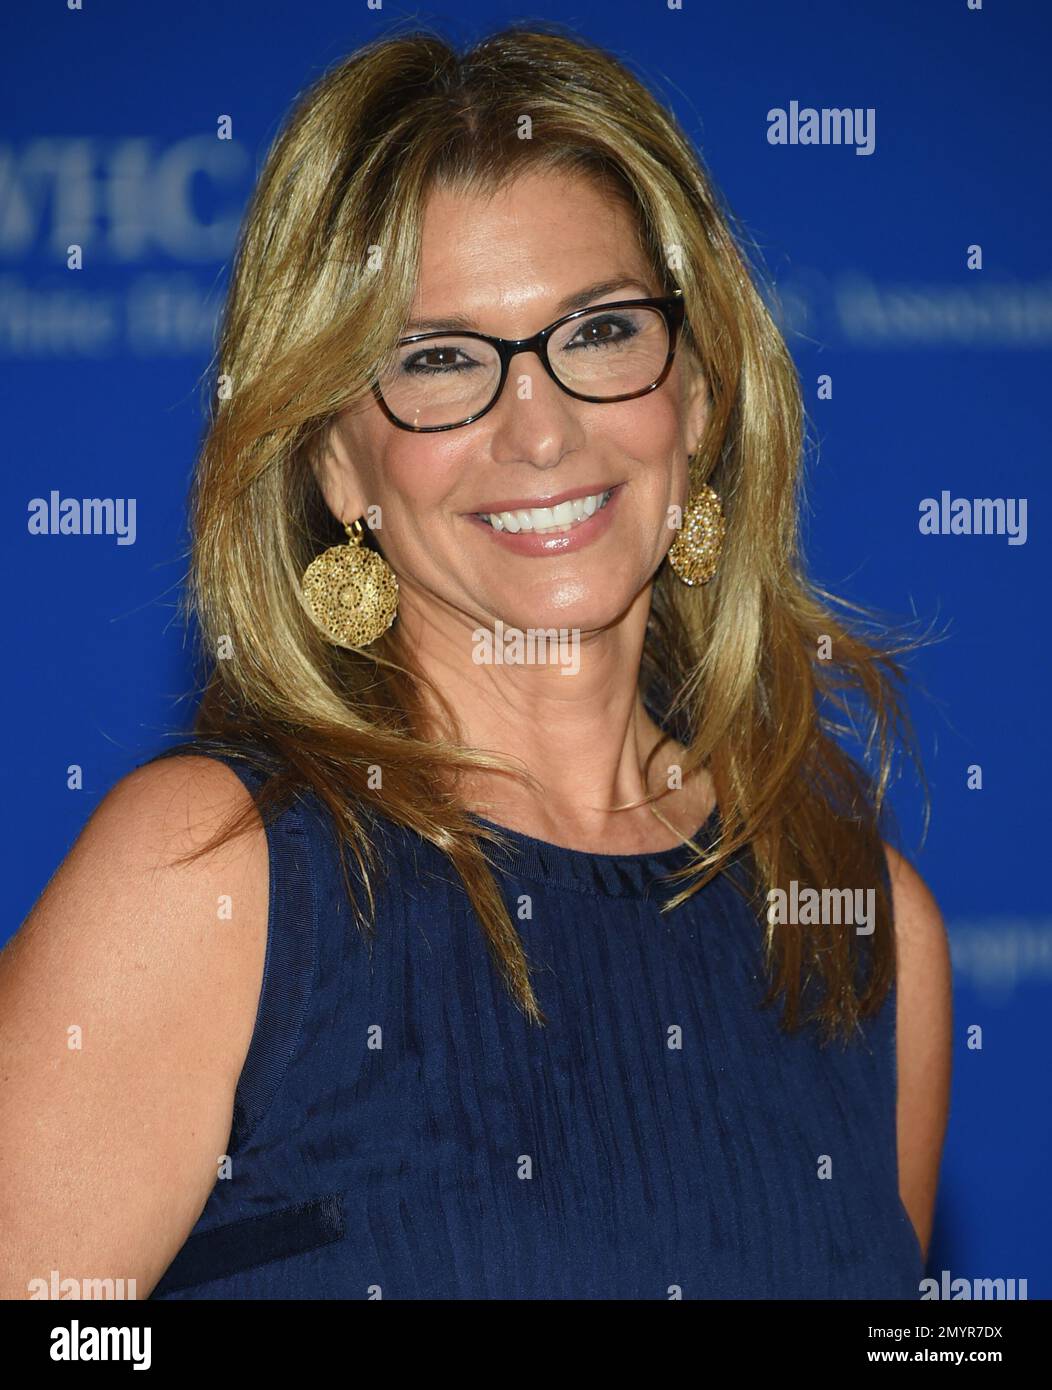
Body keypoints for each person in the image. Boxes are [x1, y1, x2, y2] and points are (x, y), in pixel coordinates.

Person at [0, 25, 951, 1300]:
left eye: (601, 331)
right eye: (439, 361)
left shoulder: (853, 917)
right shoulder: (209, 880)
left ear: (699, 396)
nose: (541, 429)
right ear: (335, 459)